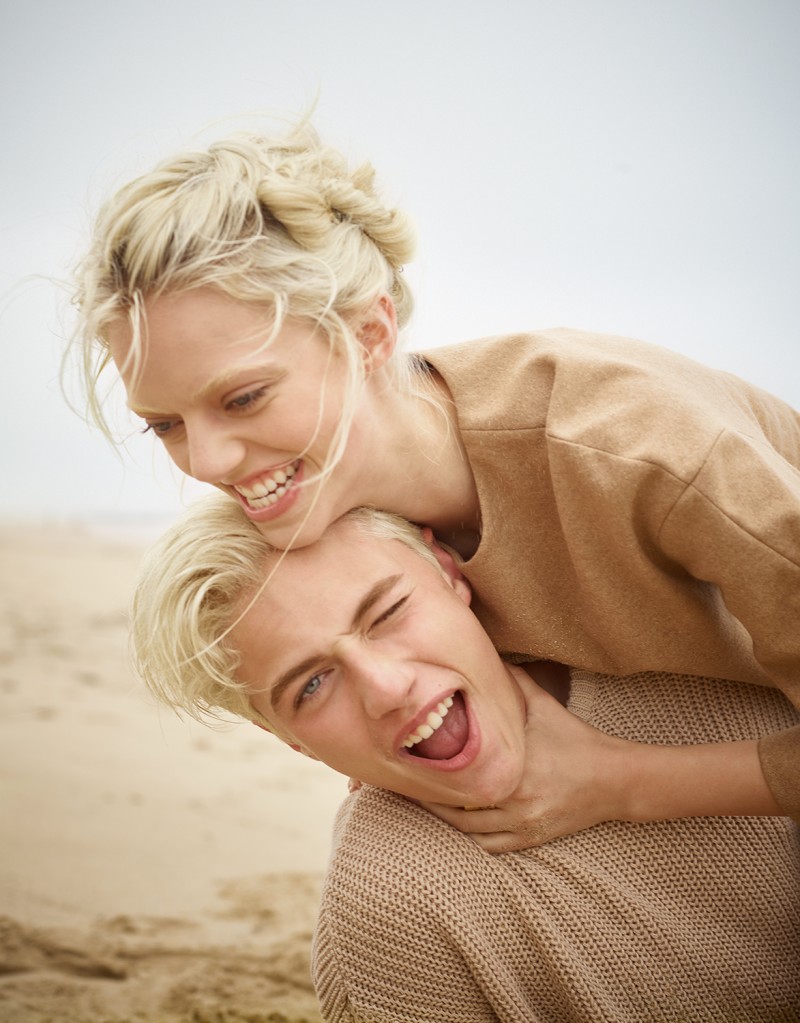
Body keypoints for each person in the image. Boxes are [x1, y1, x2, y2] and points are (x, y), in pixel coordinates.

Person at [70, 122, 800, 843]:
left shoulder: (632, 449)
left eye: (243, 398)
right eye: (164, 424)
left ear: (369, 336)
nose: (208, 462)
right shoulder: (341, 515)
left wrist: (618, 783)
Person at [131, 494, 800, 1021]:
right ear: (292, 741)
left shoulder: (704, 642)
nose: (387, 689)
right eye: (310, 685)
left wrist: (626, 782)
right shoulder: (389, 909)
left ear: (448, 572)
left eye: (387, 611)